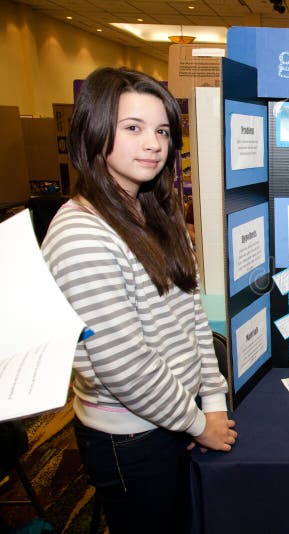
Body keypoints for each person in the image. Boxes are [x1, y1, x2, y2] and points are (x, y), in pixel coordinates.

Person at [41, 67, 237, 534]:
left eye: (163, 131)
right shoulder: (80, 234)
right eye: (133, 128)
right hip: (129, 437)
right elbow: (122, 363)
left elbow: (193, 320)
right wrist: (196, 422)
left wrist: (211, 401)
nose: (153, 143)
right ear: (95, 131)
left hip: (177, 418)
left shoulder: (156, 214)